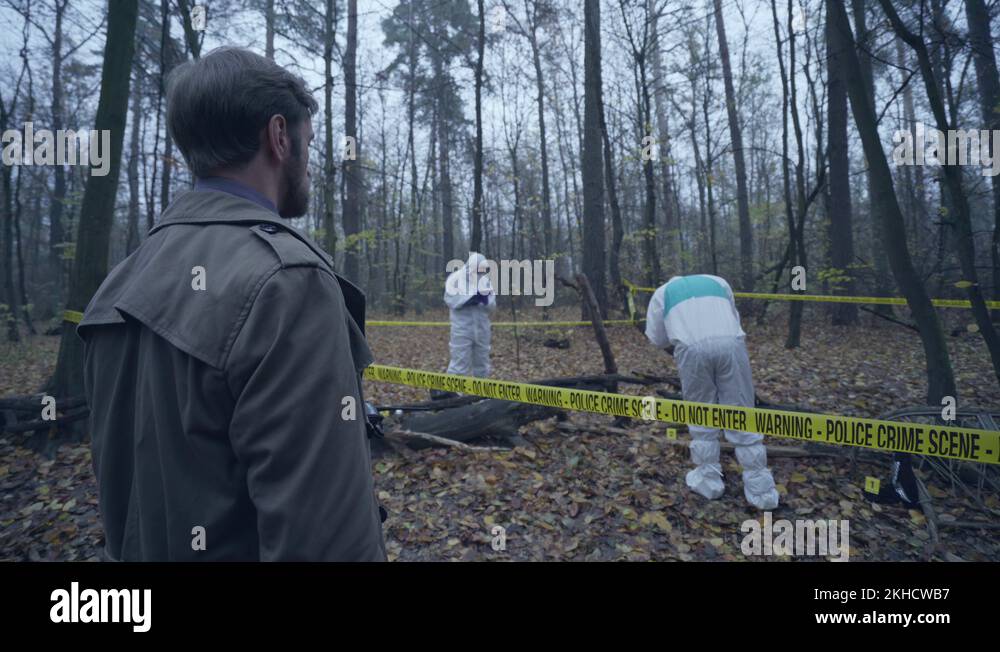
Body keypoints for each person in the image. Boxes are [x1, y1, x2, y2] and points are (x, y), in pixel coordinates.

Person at [77, 48, 387, 561]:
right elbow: (324, 546)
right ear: (279, 137)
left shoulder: (119, 284)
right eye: (307, 143)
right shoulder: (286, 283)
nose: (310, 165)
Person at [644, 274, 779, 510]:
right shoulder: (718, 281)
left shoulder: (662, 293)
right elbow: (732, 315)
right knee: (743, 413)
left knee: (701, 414)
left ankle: (709, 482)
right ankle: (761, 492)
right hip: (732, 344)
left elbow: (656, 338)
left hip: (691, 349)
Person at [444, 252, 496, 378]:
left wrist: (484, 300)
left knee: (482, 364)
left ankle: (481, 396)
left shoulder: (485, 280)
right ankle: (453, 395)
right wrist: (470, 299)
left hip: (482, 327)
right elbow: (450, 300)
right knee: (459, 364)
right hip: (462, 328)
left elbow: (492, 305)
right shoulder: (455, 278)